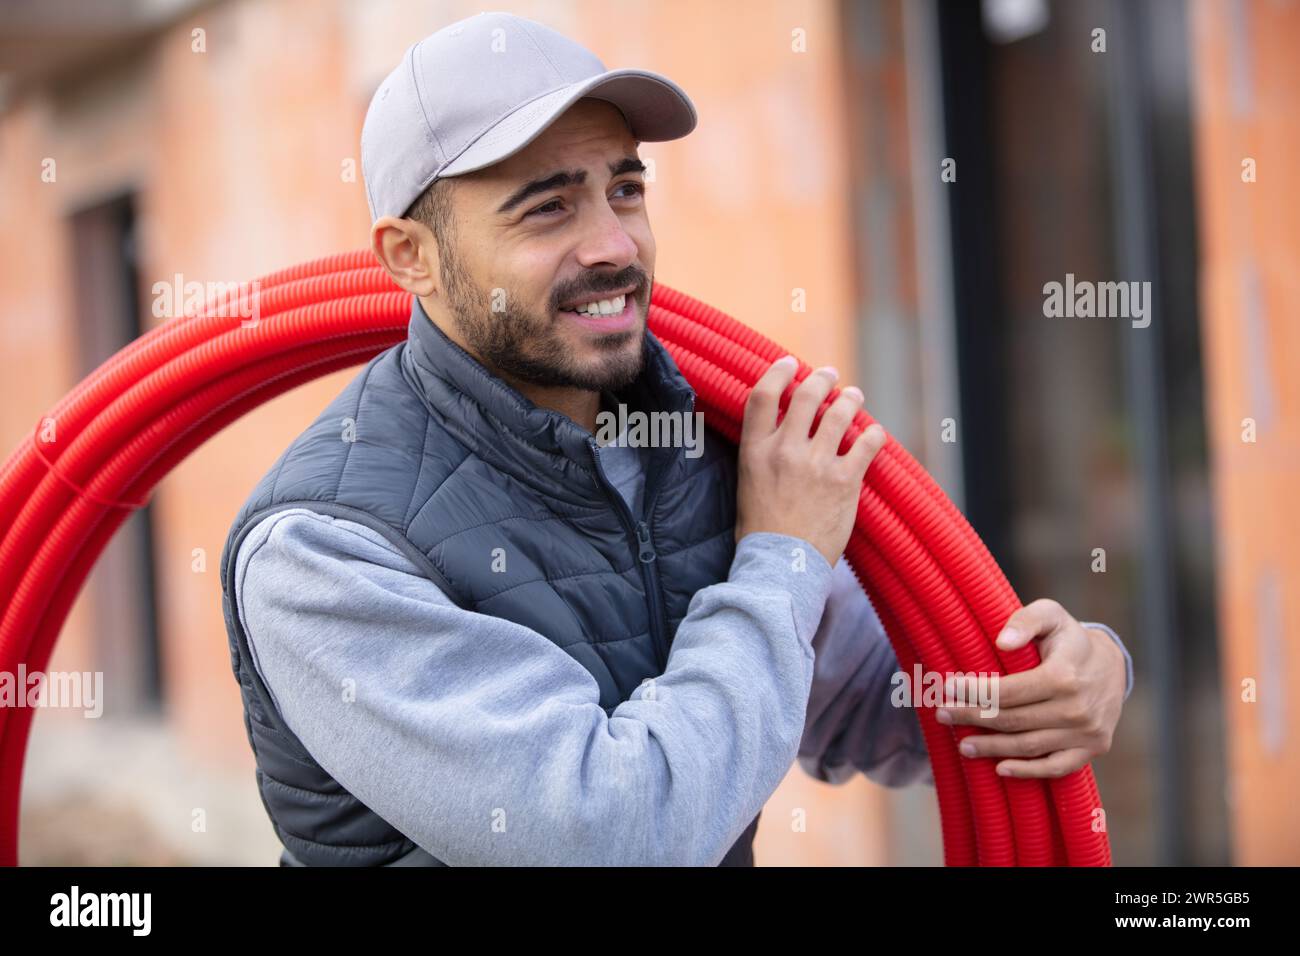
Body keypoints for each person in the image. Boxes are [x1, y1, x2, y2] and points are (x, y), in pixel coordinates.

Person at [219, 11, 1133, 867]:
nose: (615, 245)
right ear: (409, 255)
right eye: (548, 207)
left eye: (625, 188)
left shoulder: (701, 442)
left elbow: (874, 704)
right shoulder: (324, 550)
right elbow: (615, 831)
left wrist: (1059, 680)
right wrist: (779, 554)